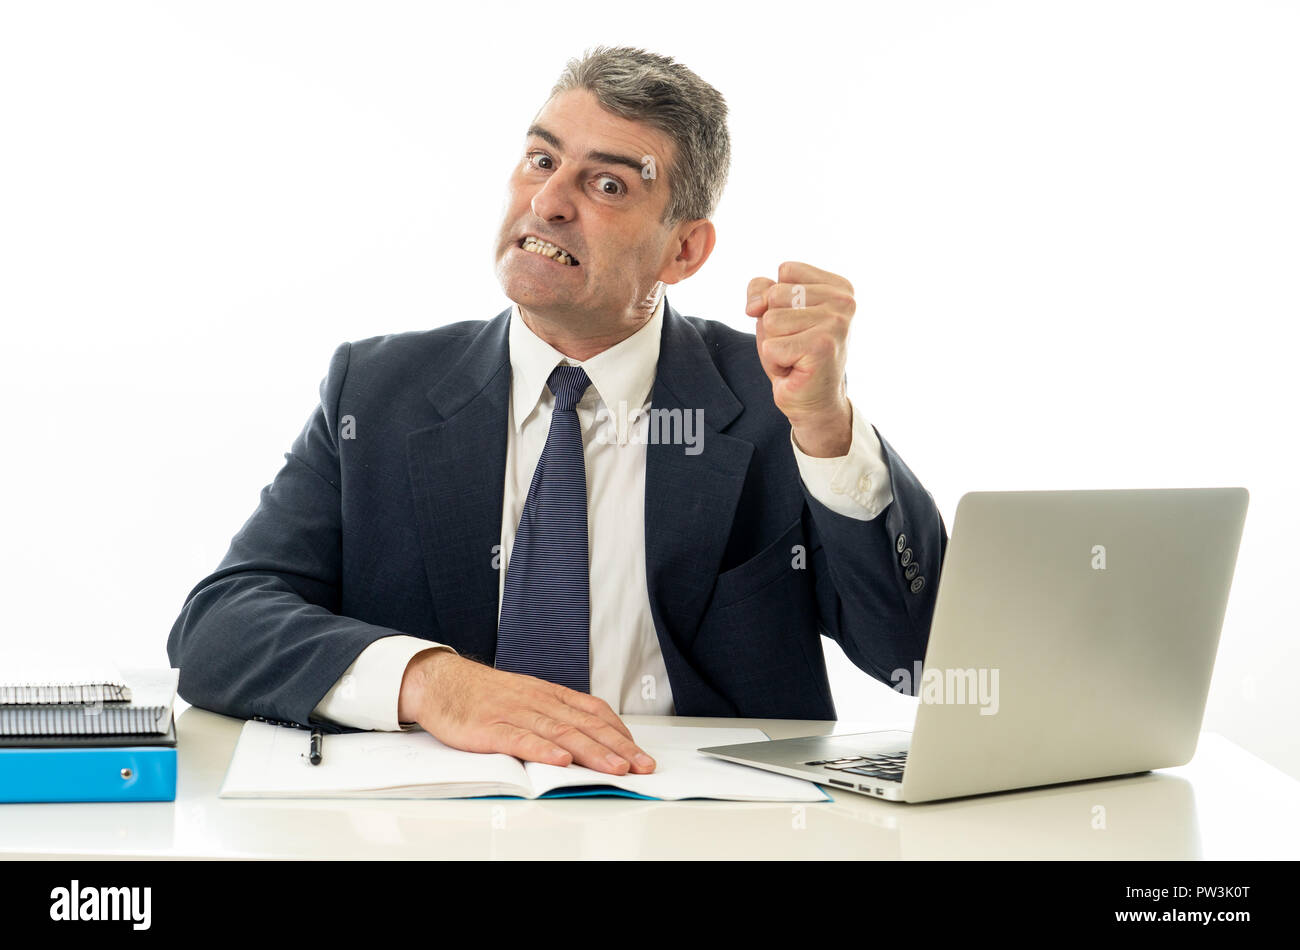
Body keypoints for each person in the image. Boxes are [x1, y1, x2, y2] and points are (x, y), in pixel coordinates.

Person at [168, 46, 947, 778]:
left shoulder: (775, 397)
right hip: (430, 829)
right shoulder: (374, 392)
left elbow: (914, 653)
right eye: (541, 160)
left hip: (706, 827)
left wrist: (826, 428)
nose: (547, 201)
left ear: (684, 252)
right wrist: (433, 683)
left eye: (607, 185)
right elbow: (219, 627)